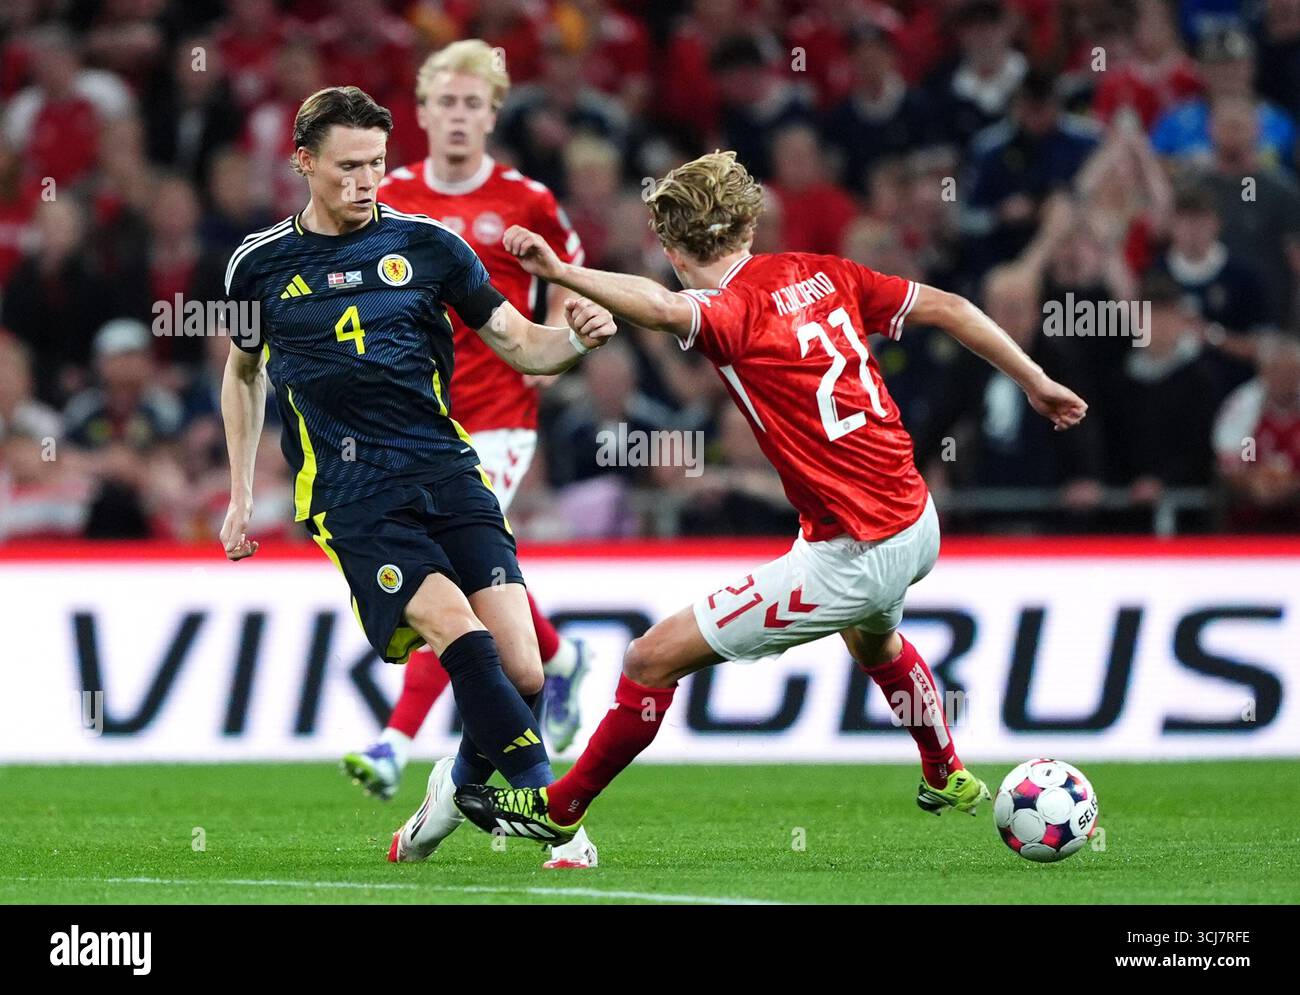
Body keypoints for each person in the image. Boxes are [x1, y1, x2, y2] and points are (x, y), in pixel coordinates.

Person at [451, 150, 1088, 842]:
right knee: (874, 644)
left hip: (853, 549)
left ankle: (558, 808)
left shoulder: (731, 310)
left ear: (670, 248)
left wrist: (562, 270)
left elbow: (663, 307)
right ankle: (945, 772)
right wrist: (1035, 380)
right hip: (915, 520)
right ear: (749, 229)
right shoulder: (825, 272)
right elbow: (954, 306)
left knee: (647, 659)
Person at [218, 85, 613, 867]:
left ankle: (450, 793)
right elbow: (242, 373)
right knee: (458, 633)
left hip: (446, 468)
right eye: (348, 166)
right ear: (303, 162)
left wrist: (575, 340)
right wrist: (238, 495)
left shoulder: (430, 247)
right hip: (353, 495)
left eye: (377, 164)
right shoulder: (257, 265)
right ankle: (556, 813)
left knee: (525, 665)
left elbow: (520, 342)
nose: (367, 181)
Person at [341, 41, 592, 811]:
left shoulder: (527, 201)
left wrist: (548, 349)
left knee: (443, 571)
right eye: (444, 103)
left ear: (492, 114)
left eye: (472, 104)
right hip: (411, 421)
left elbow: (563, 284)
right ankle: (562, 656)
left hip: (497, 420)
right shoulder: (392, 197)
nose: (457, 116)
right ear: (421, 113)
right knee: (479, 586)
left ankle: (395, 739)